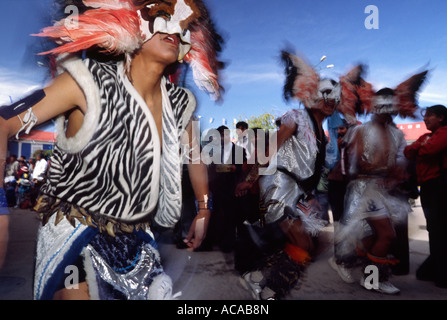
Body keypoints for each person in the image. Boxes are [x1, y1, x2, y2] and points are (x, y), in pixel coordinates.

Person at [0, 0, 224, 300]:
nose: (175, 29)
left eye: (183, 25)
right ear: (133, 26)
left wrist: (204, 207)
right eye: (162, 16)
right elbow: (5, 123)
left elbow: (195, 157)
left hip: (136, 240)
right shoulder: (87, 81)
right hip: (75, 231)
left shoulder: (180, 105)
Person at [238, 50, 365, 300]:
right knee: (302, 243)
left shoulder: (322, 133)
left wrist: (311, 195)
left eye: (335, 99)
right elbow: (269, 150)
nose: (332, 102)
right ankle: (270, 292)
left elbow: (312, 170)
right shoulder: (294, 118)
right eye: (327, 96)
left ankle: (257, 275)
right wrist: (250, 179)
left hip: (300, 193)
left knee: (314, 244)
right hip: (280, 186)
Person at [334, 70, 428, 294]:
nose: (388, 112)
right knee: (385, 235)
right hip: (363, 191)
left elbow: (400, 162)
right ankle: (369, 276)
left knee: (372, 237)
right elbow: (350, 166)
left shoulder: (397, 135)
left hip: (381, 191)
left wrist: (395, 174)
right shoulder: (359, 131)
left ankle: (365, 273)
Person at [404, 104, 447, 289]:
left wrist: (421, 147)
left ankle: (442, 275)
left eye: (429, 116)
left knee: (440, 231)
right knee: (435, 230)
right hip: (429, 189)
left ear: (441, 118)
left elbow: (428, 151)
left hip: (441, 188)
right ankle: (436, 270)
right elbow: (408, 152)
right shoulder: (426, 137)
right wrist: (422, 145)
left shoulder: (445, 132)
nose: (425, 119)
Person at [205, 125, 246, 252]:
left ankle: (228, 243)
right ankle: (212, 241)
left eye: (226, 135)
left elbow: (243, 168)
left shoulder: (238, 150)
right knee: (215, 215)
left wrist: (234, 168)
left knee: (230, 216)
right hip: (215, 188)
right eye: (221, 135)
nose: (224, 137)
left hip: (232, 187)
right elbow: (208, 168)